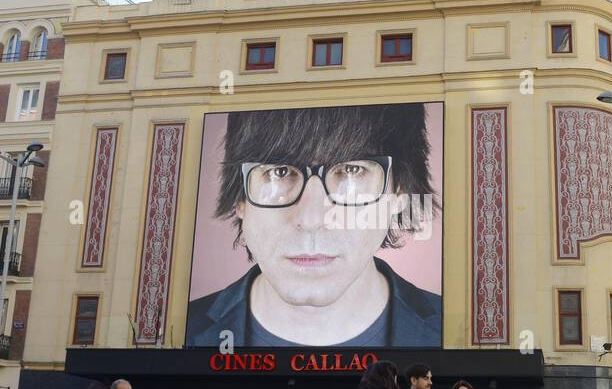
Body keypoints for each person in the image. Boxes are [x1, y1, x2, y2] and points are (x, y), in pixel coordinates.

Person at [186, 103, 442, 347]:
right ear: (240, 199)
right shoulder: (187, 328)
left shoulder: (444, 327)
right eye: (279, 172)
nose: (312, 220)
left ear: (398, 193)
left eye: (352, 170)